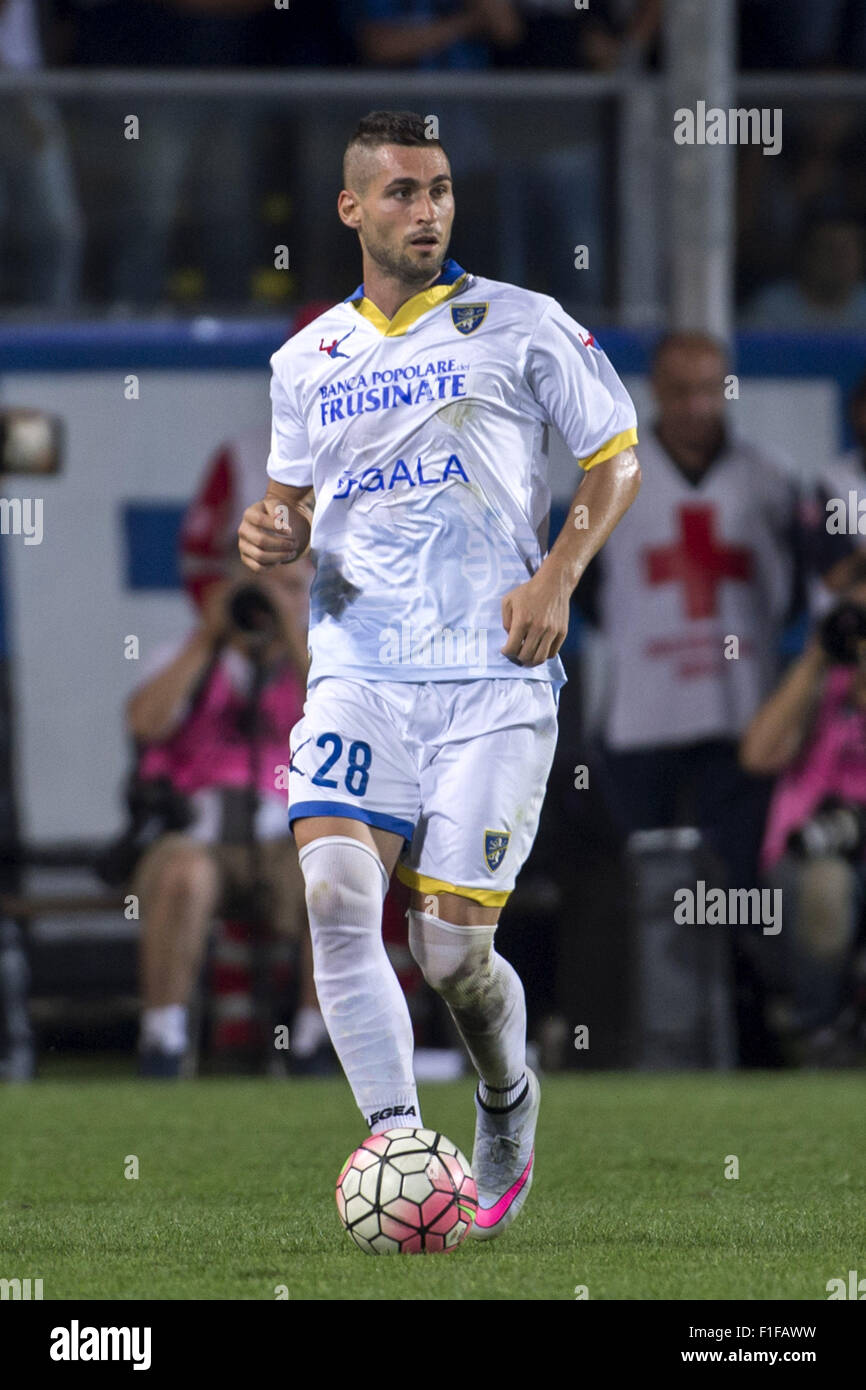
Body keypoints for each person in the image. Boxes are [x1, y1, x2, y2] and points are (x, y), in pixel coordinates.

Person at [238, 109, 640, 1237]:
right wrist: (269, 531)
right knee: (332, 890)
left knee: (453, 948)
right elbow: (295, 504)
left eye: (442, 190)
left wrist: (556, 578)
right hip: (358, 666)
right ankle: (398, 1140)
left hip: (492, 677)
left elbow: (615, 457)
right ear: (351, 208)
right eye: (404, 192)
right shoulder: (303, 359)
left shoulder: (520, 323)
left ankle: (505, 1098)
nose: (428, 210)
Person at [129, 559, 322, 1077]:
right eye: (261, 588)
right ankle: (163, 1041)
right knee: (181, 874)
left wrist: (288, 629)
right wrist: (208, 639)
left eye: (290, 588)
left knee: (335, 871)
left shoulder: (320, 663)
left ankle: (314, 1042)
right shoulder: (188, 655)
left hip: (285, 839)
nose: (271, 598)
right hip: (200, 836)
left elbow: (336, 721)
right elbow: (145, 724)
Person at [741, 587, 866, 1065]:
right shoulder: (821, 683)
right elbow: (757, 754)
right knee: (827, 883)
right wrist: (819, 654)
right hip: (805, 859)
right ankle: (817, 1035)